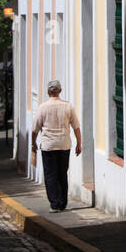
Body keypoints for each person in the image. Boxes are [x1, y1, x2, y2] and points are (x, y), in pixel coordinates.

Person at [31, 80, 81, 213]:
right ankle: (63, 203)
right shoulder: (68, 106)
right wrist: (79, 144)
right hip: (64, 144)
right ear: (60, 91)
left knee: (50, 175)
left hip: (49, 146)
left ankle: (54, 204)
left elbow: (35, 129)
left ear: (48, 92)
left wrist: (33, 143)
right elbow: (76, 127)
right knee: (62, 174)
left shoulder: (43, 107)